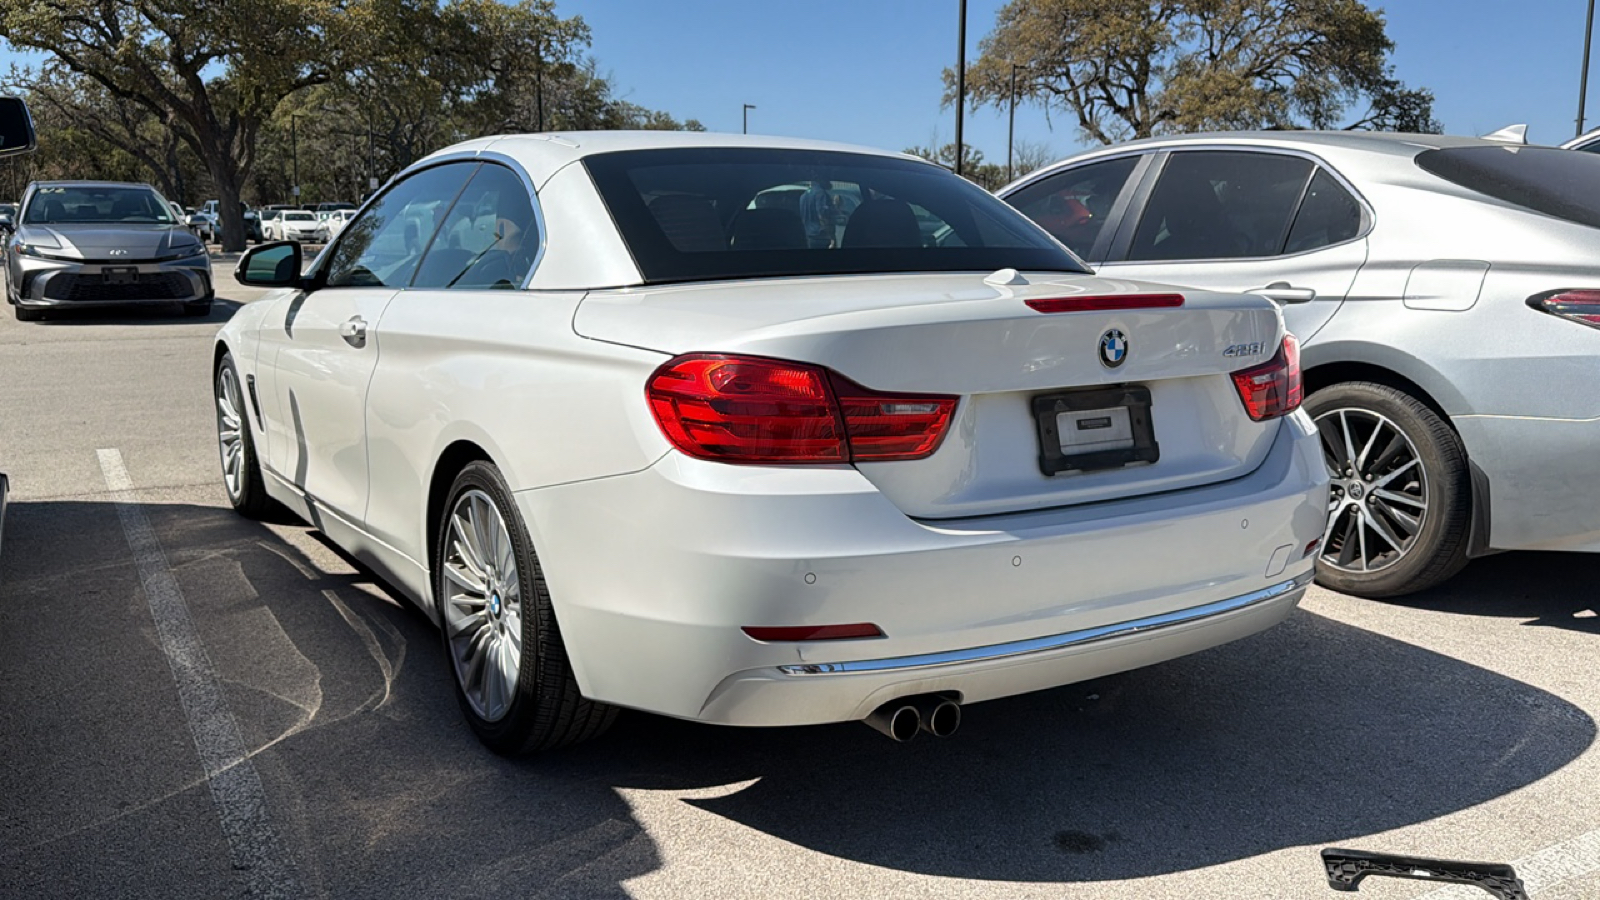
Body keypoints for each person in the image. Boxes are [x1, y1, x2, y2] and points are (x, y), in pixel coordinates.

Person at [799, 178, 837, 249]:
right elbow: (822, 216)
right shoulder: (820, 193)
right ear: (820, 180)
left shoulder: (803, 195)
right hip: (821, 238)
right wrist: (832, 237)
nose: (829, 182)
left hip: (808, 237)